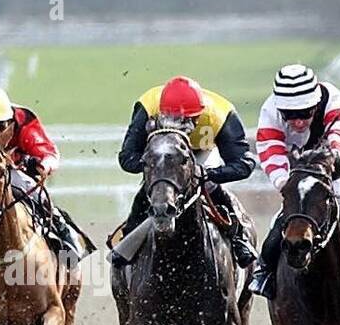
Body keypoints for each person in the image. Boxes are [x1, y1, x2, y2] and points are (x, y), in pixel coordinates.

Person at [249, 64, 340, 298]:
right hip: (295, 163)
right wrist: (285, 185)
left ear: (316, 104)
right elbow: (271, 151)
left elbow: (339, 137)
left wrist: (327, 167)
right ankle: (264, 270)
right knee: (287, 213)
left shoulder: (331, 98)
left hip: (335, 157)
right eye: (290, 116)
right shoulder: (270, 111)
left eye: (305, 113)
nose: (298, 122)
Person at [109, 75, 257, 267]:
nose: (180, 124)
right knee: (155, 189)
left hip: (201, 155)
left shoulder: (220, 114)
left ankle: (238, 238)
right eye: (172, 118)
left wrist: (208, 174)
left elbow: (244, 163)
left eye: (188, 120)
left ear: (199, 115)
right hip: (161, 153)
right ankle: (128, 237)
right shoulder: (148, 106)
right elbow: (127, 156)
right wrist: (156, 168)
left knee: (211, 187)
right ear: (160, 113)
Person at [0, 84, 93, 267]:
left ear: (8, 121)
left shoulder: (23, 119)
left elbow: (47, 152)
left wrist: (42, 163)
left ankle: (61, 230)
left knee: (28, 188)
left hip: (17, 174)